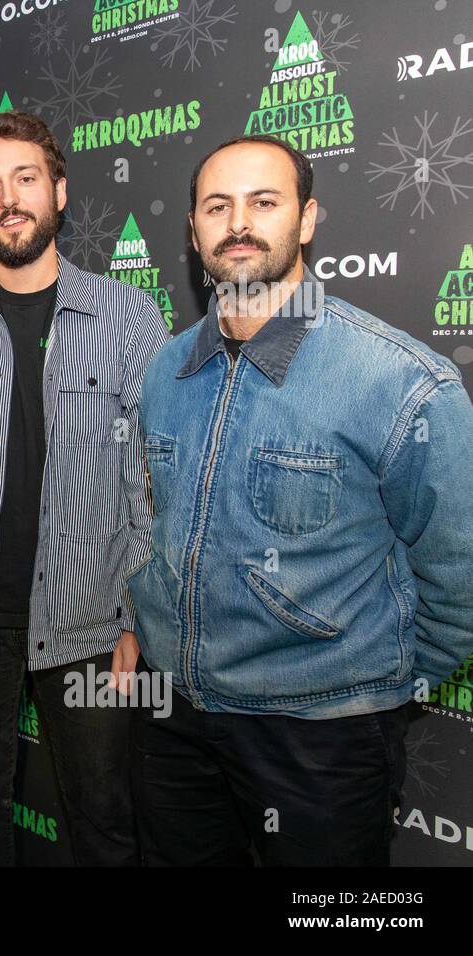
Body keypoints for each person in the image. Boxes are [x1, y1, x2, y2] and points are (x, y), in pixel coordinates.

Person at [128, 134, 473, 865]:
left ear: (307, 219)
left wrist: (376, 695)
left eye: (264, 201)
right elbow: (150, 523)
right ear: (194, 232)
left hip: (322, 737)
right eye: (217, 207)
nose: (238, 223)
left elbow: (460, 572)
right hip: (173, 720)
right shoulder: (163, 370)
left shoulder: (398, 381)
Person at [0, 110, 168, 866]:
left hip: (90, 620)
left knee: (102, 816)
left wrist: (138, 611)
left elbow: (151, 476)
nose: (8, 199)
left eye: (23, 178)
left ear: (59, 191)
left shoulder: (128, 316)